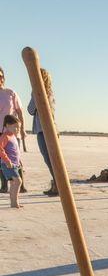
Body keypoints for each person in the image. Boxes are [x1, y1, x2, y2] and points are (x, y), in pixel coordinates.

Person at [27, 68, 57, 196]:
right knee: (53, 159)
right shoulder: (49, 93)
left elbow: (30, 109)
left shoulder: (37, 92)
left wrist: (33, 95)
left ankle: (57, 186)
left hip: (42, 130)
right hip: (52, 129)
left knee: (49, 159)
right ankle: (57, 184)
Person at [0, 67, 26, 194]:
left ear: (3, 77)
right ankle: (4, 186)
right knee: (1, 159)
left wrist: (23, 130)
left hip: (12, 132)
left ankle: (21, 185)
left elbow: (20, 111)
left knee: (15, 157)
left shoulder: (11, 93)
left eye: (0, 76)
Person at [0, 114, 23, 208]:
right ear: (7, 125)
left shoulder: (13, 136)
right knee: (18, 181)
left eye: (19, 127)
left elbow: (15, 151)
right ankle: (14, 203)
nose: (18, 129)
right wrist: (7, 161)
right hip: (8, 165)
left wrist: (19, 161)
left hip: (14, 164)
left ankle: (14, 203)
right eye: (15, 127)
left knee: (14, 183)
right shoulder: (5, 136)